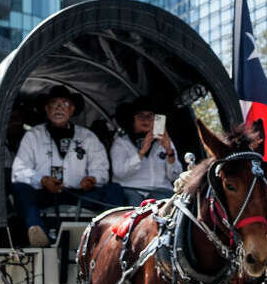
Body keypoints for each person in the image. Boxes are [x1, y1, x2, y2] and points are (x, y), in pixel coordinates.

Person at [10, 89, 111, 246]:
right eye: (53, 104)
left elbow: (101, 168)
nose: (59, 108)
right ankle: (38, 233)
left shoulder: (87, 136)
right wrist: (42, 180)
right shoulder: (33, 136)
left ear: (72, 109)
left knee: (115, 190)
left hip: (78, 194)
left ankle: (109, 237)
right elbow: (19, 170)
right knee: (20, 188)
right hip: (45, 194)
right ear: (46, 109)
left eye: (64, 104)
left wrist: (92, 179)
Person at [109, 106, 179, 200]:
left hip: (161, 191)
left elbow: (175, 177)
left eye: (150, 116)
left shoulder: (165, 141)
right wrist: (142, 152)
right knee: (134, 204)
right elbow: (119, 173)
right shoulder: (121, 143)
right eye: (140, 116)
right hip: (131, 190)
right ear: (133, 120)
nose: (145, 120)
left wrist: (170, 152)